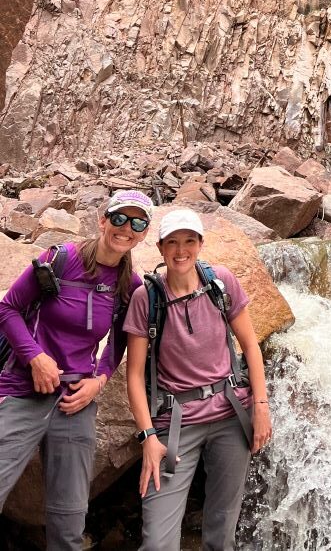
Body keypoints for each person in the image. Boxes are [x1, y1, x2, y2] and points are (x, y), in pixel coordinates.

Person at [0, 189, 154, 551]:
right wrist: (34, 357)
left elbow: (120, 341)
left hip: (74, 402)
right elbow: (8, 309)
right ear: (102, 221)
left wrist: (98, 382)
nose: (126, 228)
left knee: (69, 523)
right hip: (23, 390)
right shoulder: (61, 259)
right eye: (118, 218)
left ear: (144, 232)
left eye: (137, 223)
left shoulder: (128, 285)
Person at [125, 207, 271, 551]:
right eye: (172, 243)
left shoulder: (221, 283)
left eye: (189, 241)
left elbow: (250, 346)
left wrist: (261, 405)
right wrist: (147, 436)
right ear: (160, 248)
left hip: (231, 417)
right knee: (158, 543)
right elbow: (133, 376)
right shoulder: (147, 299)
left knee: (222, 534)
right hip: (174, 426)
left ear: (200, 244)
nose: (181, 251)